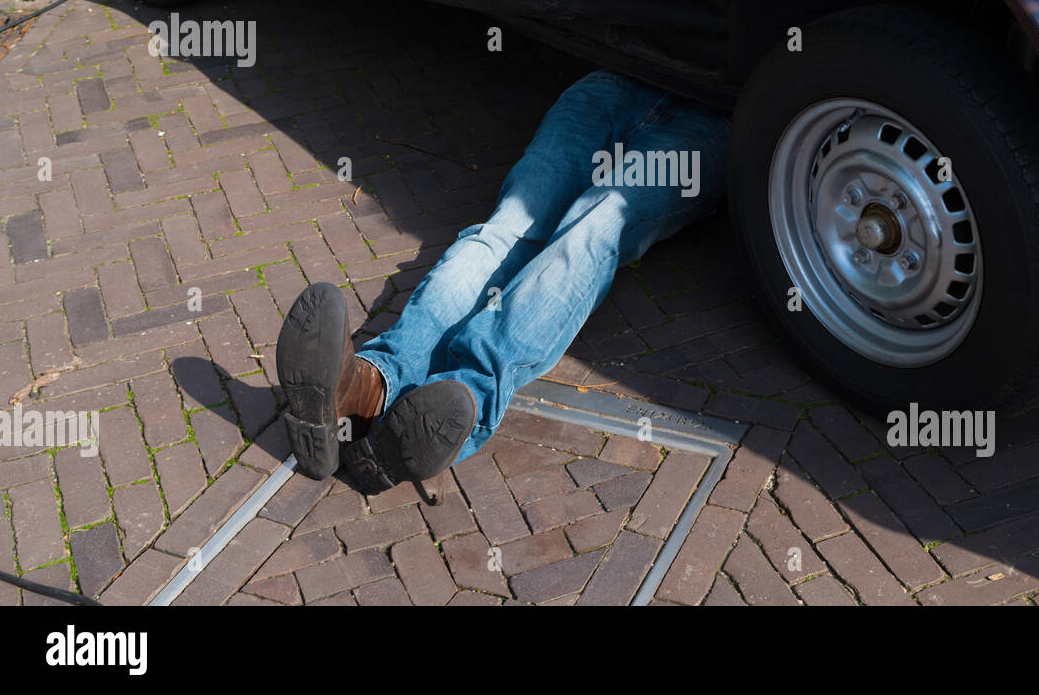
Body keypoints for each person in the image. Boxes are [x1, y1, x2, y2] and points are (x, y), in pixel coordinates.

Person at [276, 70, 730, 492]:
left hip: (714, 116)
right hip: (617, 79)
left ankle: (461, 402)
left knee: (594, 227)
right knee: (508, 226)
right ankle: (367, 390)